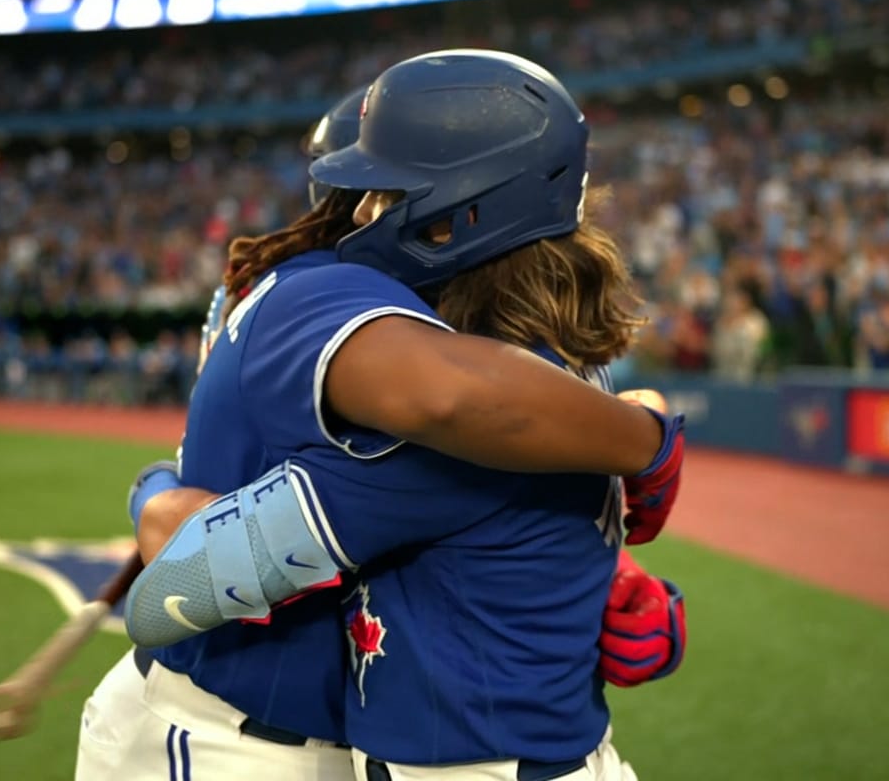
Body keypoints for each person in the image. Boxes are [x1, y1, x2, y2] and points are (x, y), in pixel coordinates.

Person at [76, 80, 686, 781]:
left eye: (385, 189)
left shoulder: (477, 392)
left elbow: (181, 582)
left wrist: (155, 490)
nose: (363, 210)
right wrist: (645, 441)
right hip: (234, 734)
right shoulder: (545, 367)